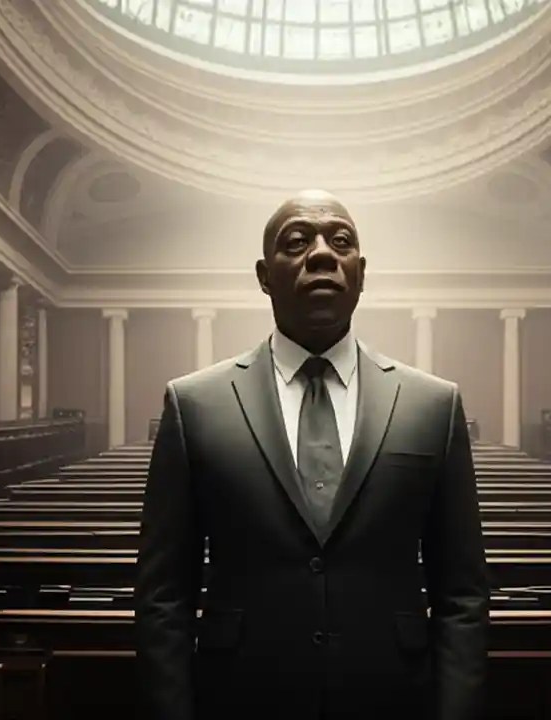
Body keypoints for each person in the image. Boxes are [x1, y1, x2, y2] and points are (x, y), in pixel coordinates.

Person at [133, 189, 489, 720]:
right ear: (264, 276)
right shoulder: (194, 404)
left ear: (361, 273)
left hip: (393, 697)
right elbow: (163, 596)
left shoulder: (433, 404)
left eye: (341, 241)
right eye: (297, 241)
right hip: (242, 698)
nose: (322, 254)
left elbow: (462, 594)